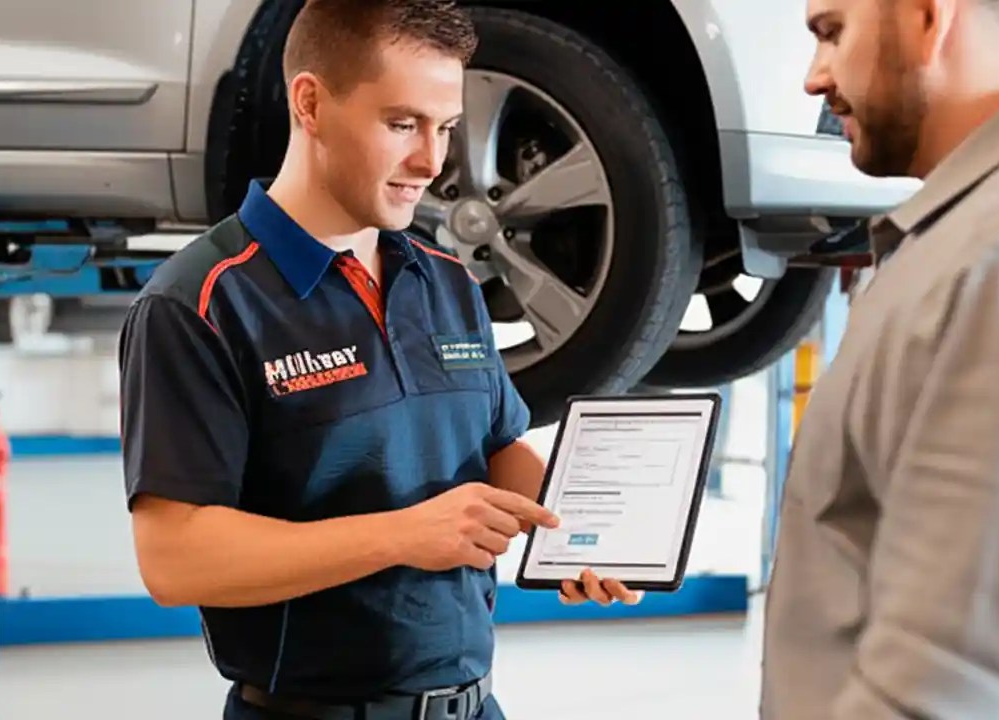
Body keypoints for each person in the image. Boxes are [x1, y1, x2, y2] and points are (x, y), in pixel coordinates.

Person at [116, 1, 640, 718]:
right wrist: (404, 535)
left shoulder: (447, 282)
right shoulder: (201, 303)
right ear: (310, 104)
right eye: (402, 124)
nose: (432, 161)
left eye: (445, 128)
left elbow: (494, 451)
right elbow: (175, 558)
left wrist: (580, 529)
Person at [763, 0, 999, 717]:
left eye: (832, 33)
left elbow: (964, 688)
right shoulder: (987, 232)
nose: (814, 78)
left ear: (929, 17)